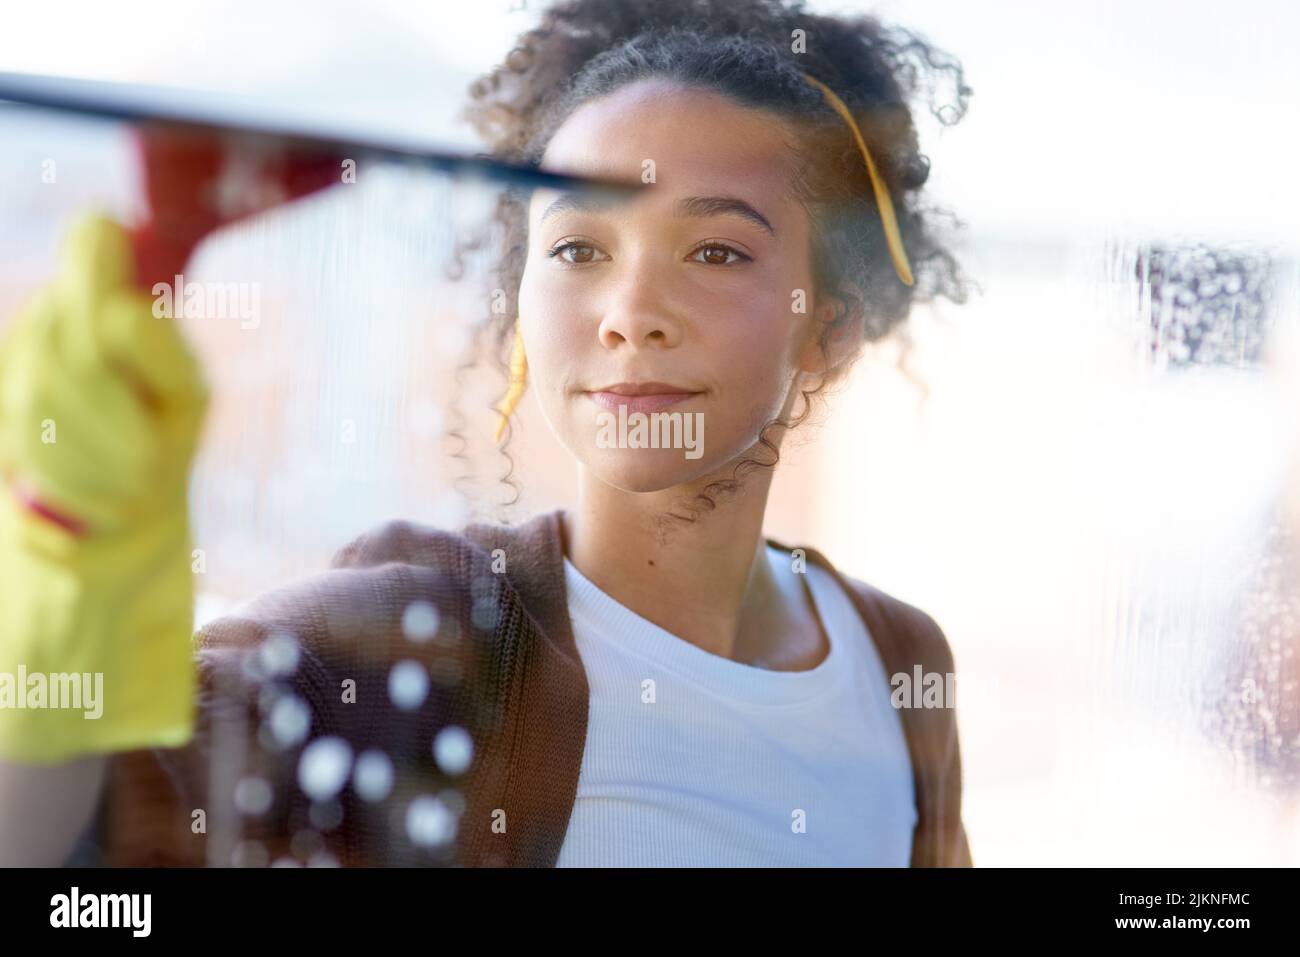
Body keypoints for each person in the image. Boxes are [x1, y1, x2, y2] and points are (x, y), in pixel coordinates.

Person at [0, 0, 974, 867]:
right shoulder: (411, 637)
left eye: (716, 250)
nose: (630, 312)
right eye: (578, 249)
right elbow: (53, 838)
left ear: (832, 329)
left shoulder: (900, 660)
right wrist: (70, 551)